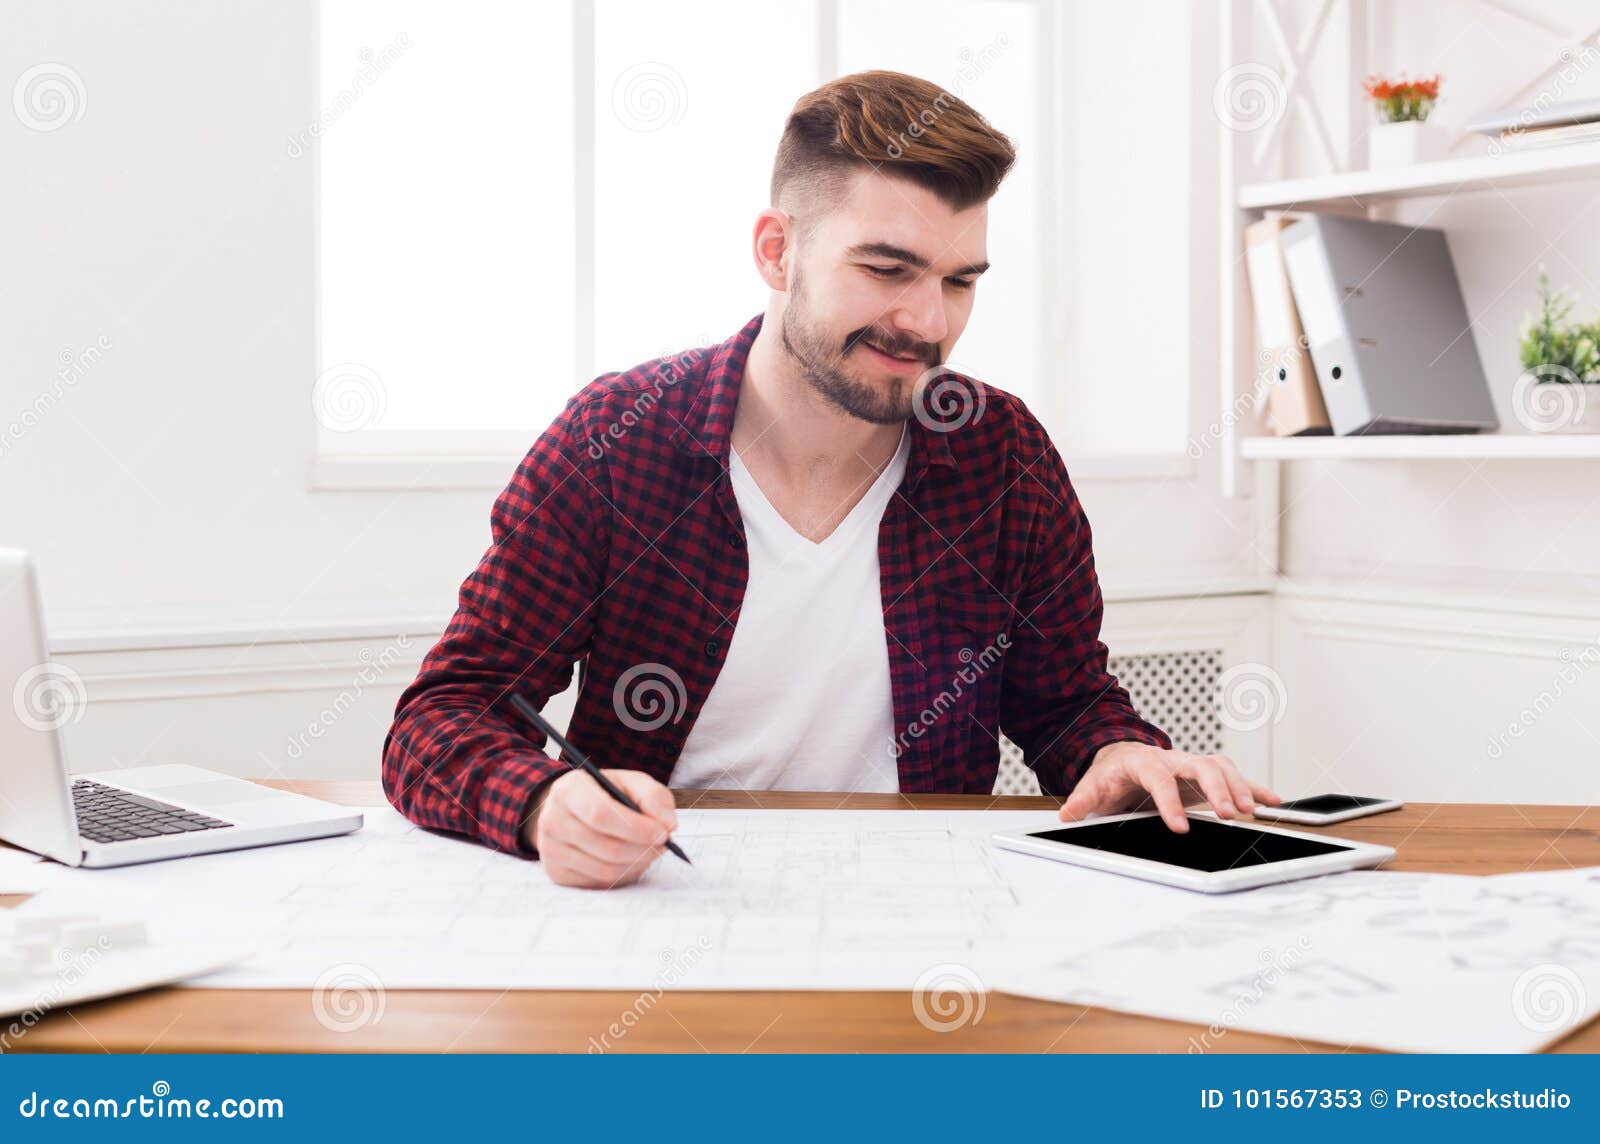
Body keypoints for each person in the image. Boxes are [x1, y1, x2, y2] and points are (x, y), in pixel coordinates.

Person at [383, 70, 1280, 888]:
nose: (928, 321)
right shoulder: (616, 442)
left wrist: (1117, 753)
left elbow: (1068, 705)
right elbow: (442, 718)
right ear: (778, 252)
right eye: (886, 269)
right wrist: (542, 805)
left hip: (929, 909)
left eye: (960, 281)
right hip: (661, 896)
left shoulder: (1000, 452)